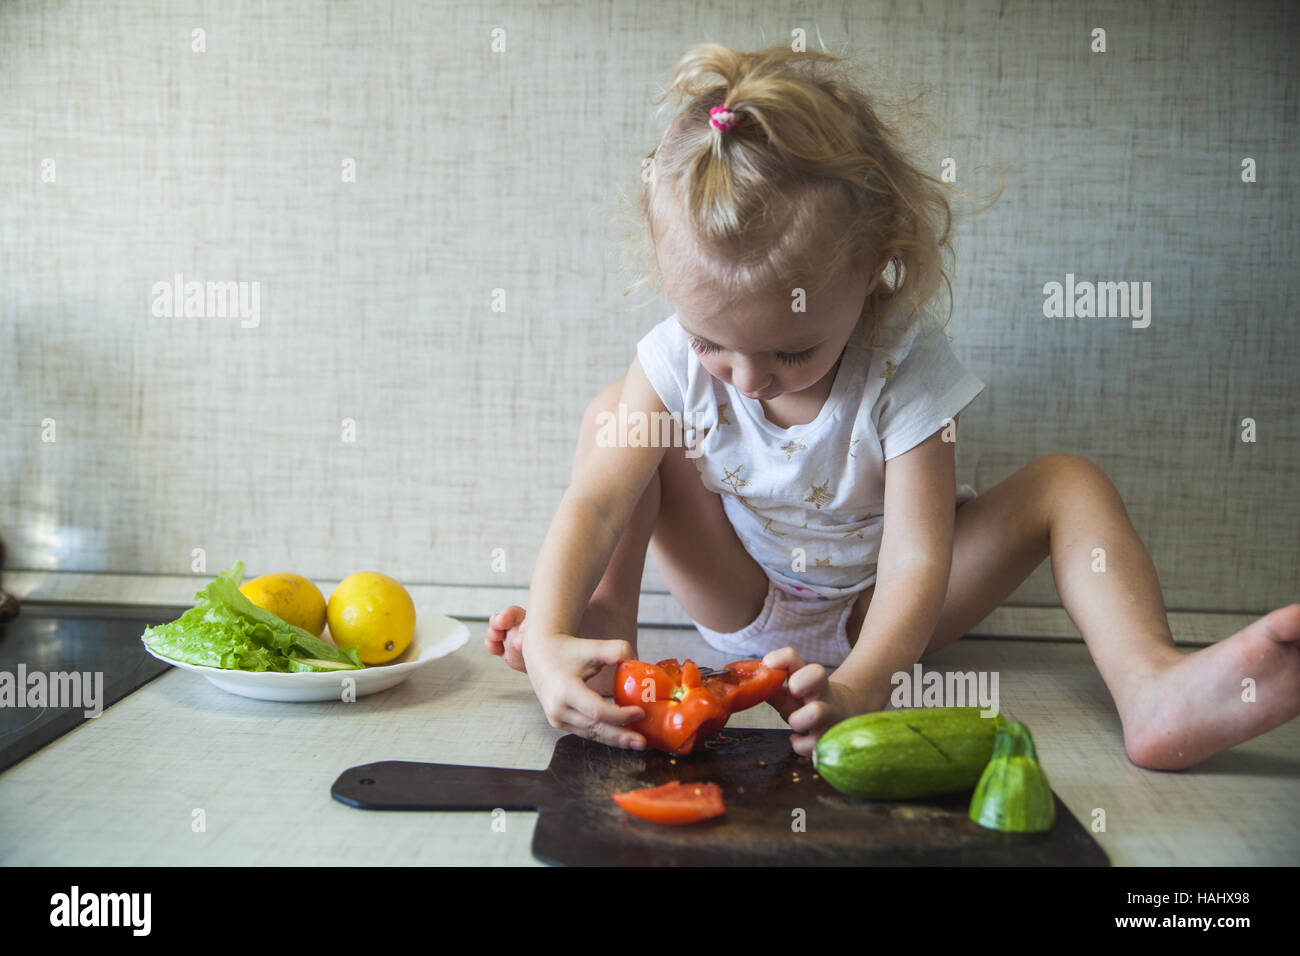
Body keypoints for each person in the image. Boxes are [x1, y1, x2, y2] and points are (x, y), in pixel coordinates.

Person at [486, 43, 1299, 768]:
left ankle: (1150, 684)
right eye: (711, 343)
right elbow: (595, 506)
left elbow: (916, 557)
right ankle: (589, 640)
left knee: (1067, 483)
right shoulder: (674, 358)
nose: (747, 380)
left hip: (886, 616)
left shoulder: (904, 363)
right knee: (616, 419)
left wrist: (866, 682)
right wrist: (550, 631)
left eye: (792, 352)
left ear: (875, 270)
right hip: (738, 594)